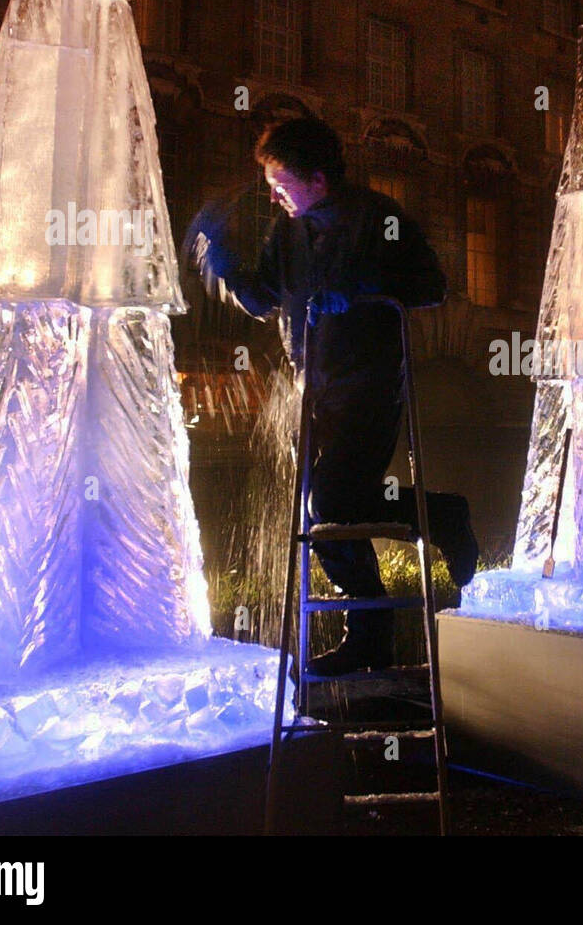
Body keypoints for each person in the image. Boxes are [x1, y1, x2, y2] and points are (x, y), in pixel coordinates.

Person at [187, 117, 477, 675]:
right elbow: (263, 298)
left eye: (281, 182)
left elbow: (431, 286)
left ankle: (414, 560)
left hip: (368, 384)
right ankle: (421, 543)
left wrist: (366, 290)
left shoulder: (380, 219)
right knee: (323, 510)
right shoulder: (288, 234)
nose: (272, 193)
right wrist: (220, 262)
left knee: (330, 504)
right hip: (314, 388)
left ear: (318, 180)